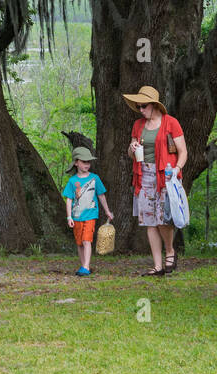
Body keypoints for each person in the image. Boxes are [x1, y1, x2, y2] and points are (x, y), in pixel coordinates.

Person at [125, 85, 187, 276]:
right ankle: (158, 265)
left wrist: (176, 170)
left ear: (154, 105)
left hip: (166, 176)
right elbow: (131, 154)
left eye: (143, 106)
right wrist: (132, 147)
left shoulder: (171, 123)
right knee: (149, 221)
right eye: (138, 106)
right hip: (144, 175)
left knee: (163, 219)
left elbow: (183, 152)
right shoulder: (138, 125)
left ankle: (170, 251)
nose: (140, 110)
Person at [63, 146, 113, 276]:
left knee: (86, 240)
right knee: (79, 242)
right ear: (76, 162)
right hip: (76, 216)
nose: (87, 164)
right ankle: (83, 265)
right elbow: (69, 200)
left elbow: (101, 195)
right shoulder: (72, 181)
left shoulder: (95, 178)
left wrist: (107, 211)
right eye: (84, 161)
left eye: (88, 162)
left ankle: (86, 266)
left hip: (90, 215)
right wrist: (69, 217)